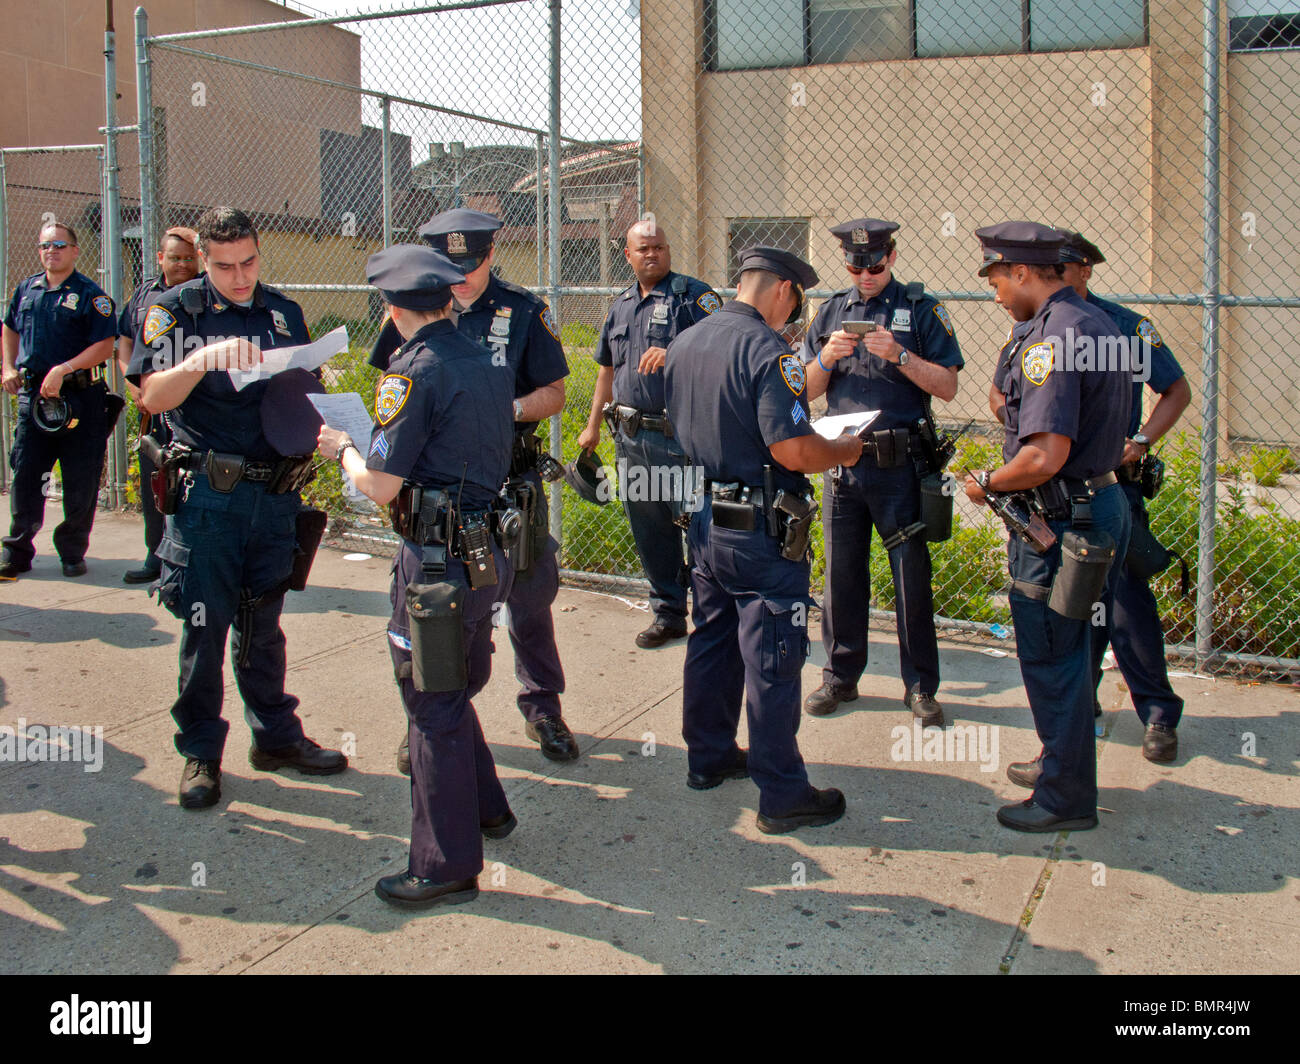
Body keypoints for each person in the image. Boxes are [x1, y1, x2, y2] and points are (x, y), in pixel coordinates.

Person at [127, 206, 346, 809]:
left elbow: (304, 387)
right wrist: (199, 362)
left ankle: (275, 737)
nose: (239, 276)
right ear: (203, 259)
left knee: (264, 625)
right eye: (224, 266)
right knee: (204, 626)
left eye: (248, 261)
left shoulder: (282, 311)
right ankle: (201, 751)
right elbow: (149, 394)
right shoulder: (175, 312)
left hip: (276, 494)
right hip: (209, 498)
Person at [319, 244, 516, 908]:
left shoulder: (413, 372)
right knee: (450, 685)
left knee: (429, 703)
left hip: (434, 566)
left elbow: (378, 485)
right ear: (449, 298)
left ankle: (443, 864)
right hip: (485, 554)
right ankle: (486, 808)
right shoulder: (485, 361)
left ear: (390, 307)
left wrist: (343, 448)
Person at [664, 246, 865, 834]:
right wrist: (845, 450)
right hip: (758, 531)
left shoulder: (688, 341)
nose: (792, 318)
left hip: (703, 516)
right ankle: (782, 793)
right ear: (782, 290)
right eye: (794, 305)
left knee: (712, 637)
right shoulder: (768, 352)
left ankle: (708, 756)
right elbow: (793, 450)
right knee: (775, 654)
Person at [372, 209, 576, 767]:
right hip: (444, 494)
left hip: (511, 482)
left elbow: (554, 392)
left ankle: (543, 707)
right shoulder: (414, 306)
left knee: (530, 597)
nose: (461, 279)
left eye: (471, 265)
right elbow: (391, 383)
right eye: (449, 267)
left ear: (491, 255)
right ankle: (430, 720)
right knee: (436, 608)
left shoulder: (524, 310)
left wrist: (500, 408)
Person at [964, 221, 1132, 832]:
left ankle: (1064, 800)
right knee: (1077, 654)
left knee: (1052, 656)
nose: (997, 294)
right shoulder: (1096, 324)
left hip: (1060, 522)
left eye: (998, 280)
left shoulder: (1051, 341)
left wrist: (988, 480)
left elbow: (1043, 455)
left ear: (1024, 272)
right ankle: (1061, 764)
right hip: (1098, 507)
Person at [800, 219, 963, 726]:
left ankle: (919, 687)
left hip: (900, 468)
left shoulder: (920, 310)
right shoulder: (829, 312)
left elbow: (948, 386)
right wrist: (825, 357)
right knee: (842, 575)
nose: (864, 274)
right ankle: (840, 676)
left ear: (891, 257)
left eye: (873, 265)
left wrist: (901, 355)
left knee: (910, 578)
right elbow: (803, 390)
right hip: (843, 464)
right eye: (854, 266)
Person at [1061, 230, 1189, 765]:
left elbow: (1176, 389)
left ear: (1086, 271)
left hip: (1116, 490)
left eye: (1060, 268)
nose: (1050, 278)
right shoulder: (1035, 327)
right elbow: (1002, 394)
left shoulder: (1128, 327)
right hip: (1062, 491)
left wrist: (1139, 443)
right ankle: (1078, 707)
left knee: (1129, 608)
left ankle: (1158, 714)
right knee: (1072, 604)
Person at [577, 219, 721, 648]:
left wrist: (676, 350)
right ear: (629, 255)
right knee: (651, 530)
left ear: (668, 249)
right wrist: (591, 426)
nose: (652, 254)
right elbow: (607, 369)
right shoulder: (620, 305)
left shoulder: (696, 297)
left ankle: (714, 621)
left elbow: (722, 353)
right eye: (643, 249)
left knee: (701, 532)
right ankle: (669, 614)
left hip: (682, 440)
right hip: (631, 438)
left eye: (659, 246)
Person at [1, 222, 118, 580]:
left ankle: (72, 551)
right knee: (26, 476)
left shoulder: (89, 295)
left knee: (80, 479)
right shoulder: (26, 290)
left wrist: (64, 369)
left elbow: (105, 345)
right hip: (33, 398)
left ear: (75, 251)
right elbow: (9, 328)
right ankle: (17, 550)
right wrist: (7, 366)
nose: (51, 251)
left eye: (60, 245)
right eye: (45, 245)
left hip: (80, 398)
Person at [115, 226, 202, 584]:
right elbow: (124, 341)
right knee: (157, 483)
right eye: (175, 257)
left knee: (194, 486)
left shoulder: (207, 293)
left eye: (189, 257)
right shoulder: (143, 294)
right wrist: (133, 382)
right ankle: (156, 558)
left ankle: (193, 560)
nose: (182, 264)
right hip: (153, 412)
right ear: (160, 258)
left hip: (194, 410)